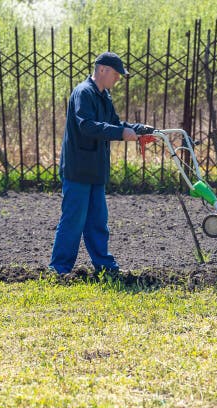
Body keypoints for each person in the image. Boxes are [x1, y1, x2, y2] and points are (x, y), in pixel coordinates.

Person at [49, 51, 153, 274]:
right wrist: (121, 133)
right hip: (78, 168)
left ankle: (105, 267)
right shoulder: (83, 93)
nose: (118, 79)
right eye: (116, 74)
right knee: (73, 222)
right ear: (103, 70)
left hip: (96, 170)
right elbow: (87, 126)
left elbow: (115, 124)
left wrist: (138, 129)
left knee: (98, 222)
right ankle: (58, 269)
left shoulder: (104, 96)